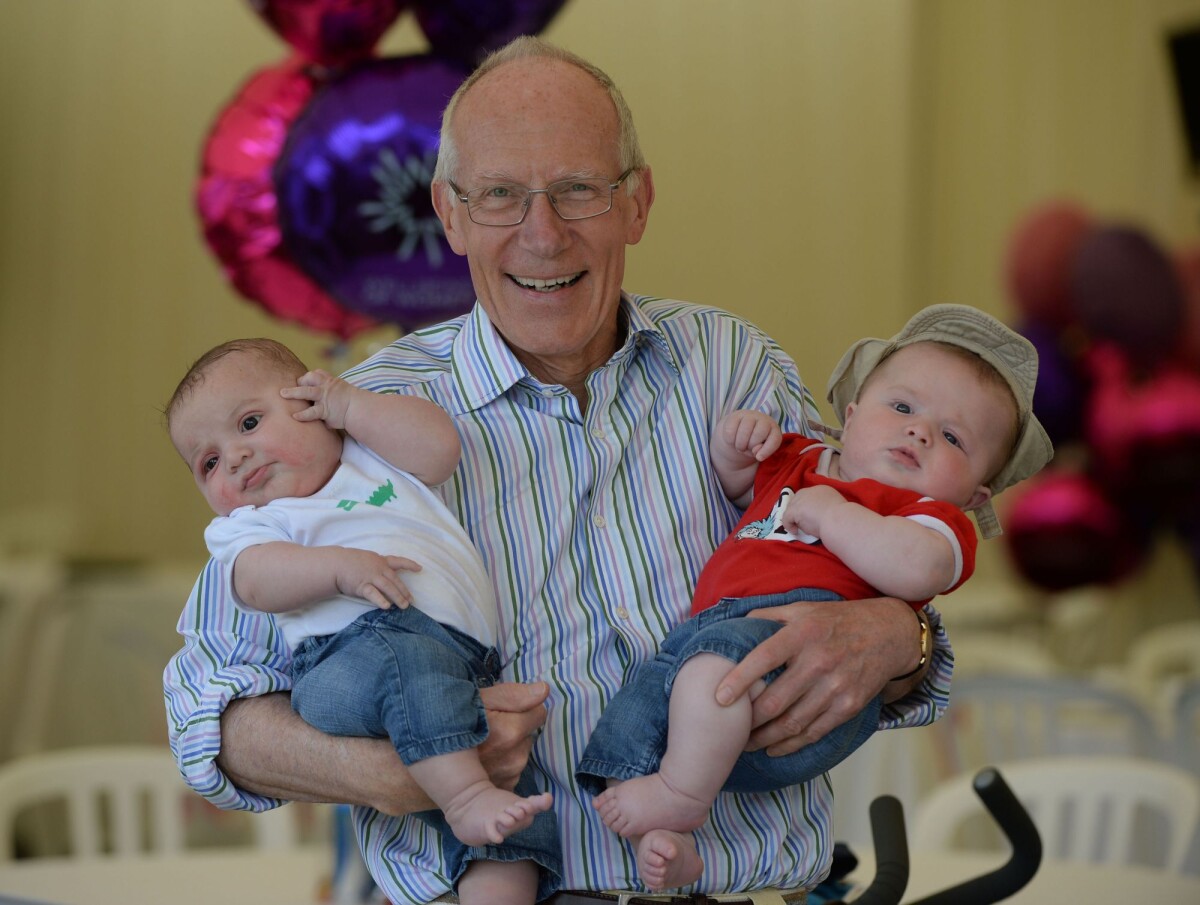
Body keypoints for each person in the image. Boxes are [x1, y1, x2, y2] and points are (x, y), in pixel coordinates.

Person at [165, 36, 961, 902]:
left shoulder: (736, 365)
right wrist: (397, 770)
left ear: (638, 202)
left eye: (579, 189)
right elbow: (207, 709)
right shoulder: (357, 414)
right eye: (500, 195)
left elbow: (892, 571)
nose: (542, 235)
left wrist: (899, 639)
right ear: (450, 213)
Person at [578, 304, 1054, 889]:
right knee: (635, 714)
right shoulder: (802, 459)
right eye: (902, 407)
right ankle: (668, 839)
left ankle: (682, 795)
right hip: (710, 631)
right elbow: (737, 486)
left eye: (953, 437)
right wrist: (737, 444)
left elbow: (916, 570)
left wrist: (834, 515)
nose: (920, 431)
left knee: (707, 680)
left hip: (795, 655)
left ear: (976, 495)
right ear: (850, 417)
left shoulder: (930, 517)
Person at [165, 338, 560, 904]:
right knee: (417, 674)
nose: (233, 458)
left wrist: (350, 405)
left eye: (249, 423)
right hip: (347, 662)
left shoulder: (372, 452)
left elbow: (440, 451)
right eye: (208, 463)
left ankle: (498, 872)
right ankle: (464, 796)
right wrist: (338, 570)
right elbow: (254, 581)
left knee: (512, 802)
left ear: (309, 400)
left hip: (457, 667)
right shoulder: (253, 523)